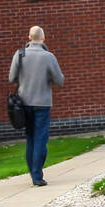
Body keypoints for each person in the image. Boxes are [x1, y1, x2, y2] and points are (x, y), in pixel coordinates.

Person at [8, 26, 64, 187]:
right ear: (43, 38)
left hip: (24, 103)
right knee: (40, 139)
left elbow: (12, 77)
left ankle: (34, 174)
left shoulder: (20, 54)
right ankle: (37, 176)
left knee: (31, 138)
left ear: (29, 37)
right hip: (42, 103)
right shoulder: (49, 56)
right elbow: (59, 81)